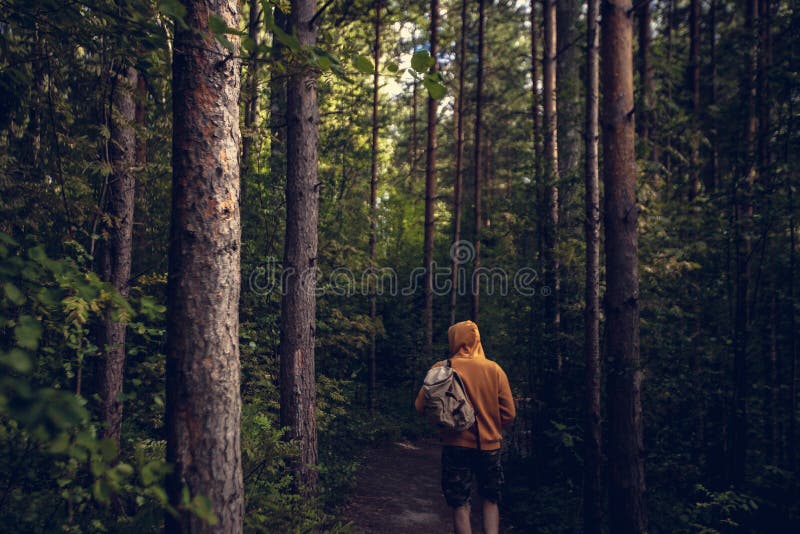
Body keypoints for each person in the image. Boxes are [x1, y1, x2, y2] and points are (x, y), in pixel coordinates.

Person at [415, 320, 516, 534]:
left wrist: (444, 423)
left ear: (455, 339)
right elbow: (509, 414)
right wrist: (492, 428)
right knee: (491, 499)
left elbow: (420, 405)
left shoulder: (442, 368)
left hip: (455, 445)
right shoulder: (494, 369)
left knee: (460, 502)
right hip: (490, 448)